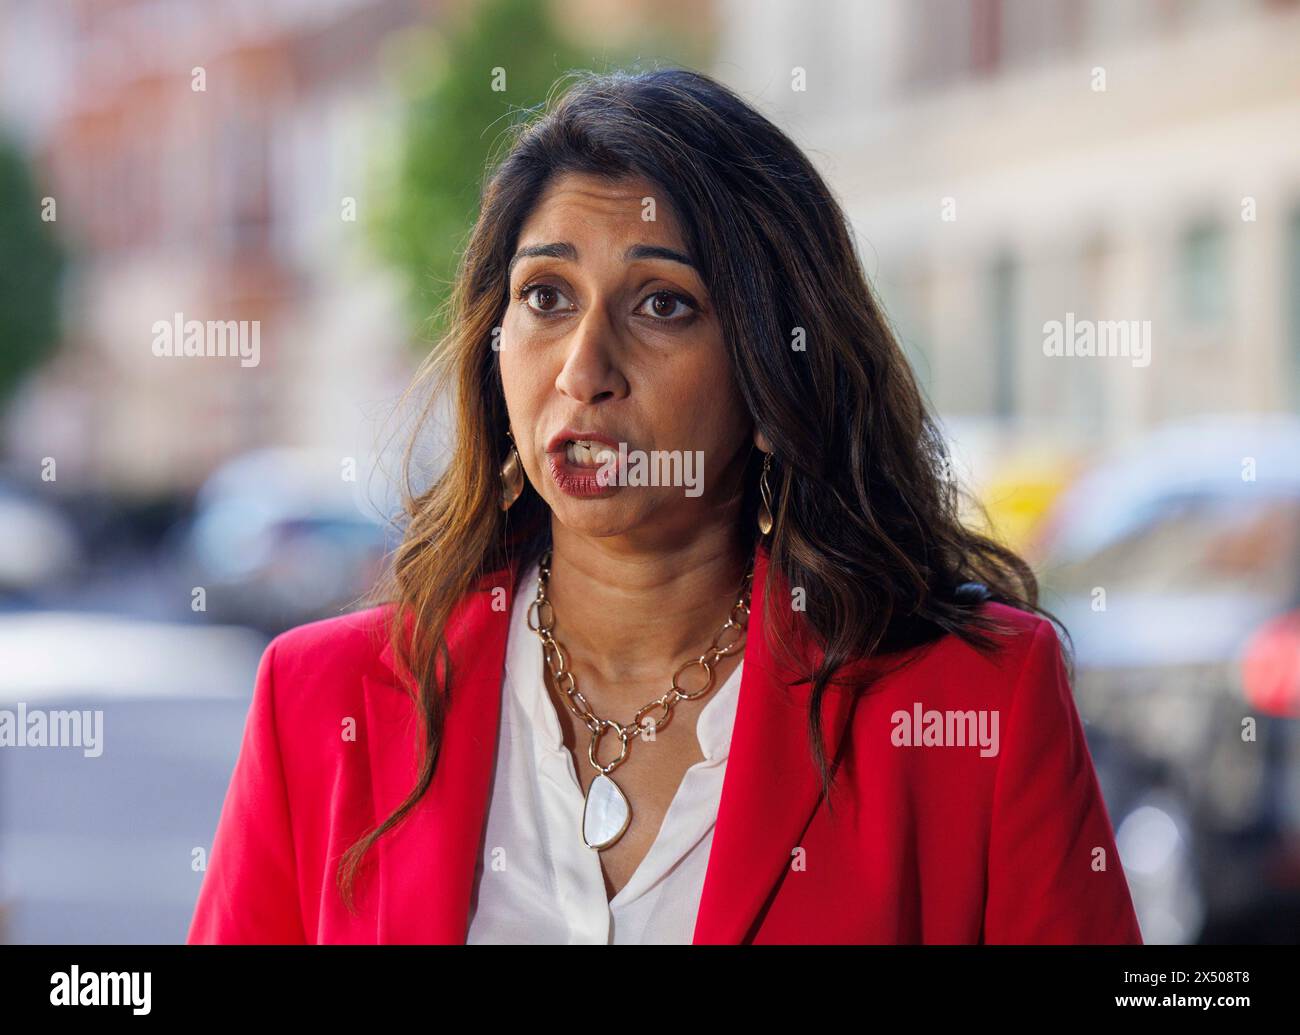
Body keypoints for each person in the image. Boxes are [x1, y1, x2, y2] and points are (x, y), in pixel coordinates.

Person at [187, 67, 1142, 945]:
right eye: (547, 296)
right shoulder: (320, 704)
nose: (584, 369)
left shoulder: (972, 706)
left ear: (774, 378)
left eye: (662, 305)